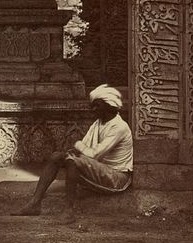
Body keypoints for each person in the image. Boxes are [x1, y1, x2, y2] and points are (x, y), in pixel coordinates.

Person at [13, 84, 132, 222]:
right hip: (101, 170)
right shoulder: (98, 124)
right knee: (56, 156)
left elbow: (94, 154)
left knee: (72, 161)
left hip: (118, 178)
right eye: (93, 105)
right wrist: (72, 152)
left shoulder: (119, 127)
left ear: (108, 105)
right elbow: (84, 149)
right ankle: (34, 204)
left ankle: (69, 211)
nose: (93, 109)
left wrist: (77, 146)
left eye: (97, 105)